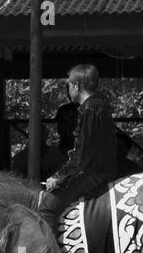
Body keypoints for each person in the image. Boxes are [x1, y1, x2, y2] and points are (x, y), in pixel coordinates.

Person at [37, 64, 117, 223]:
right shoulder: (99, 106)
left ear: (76, 85)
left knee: (46, 205)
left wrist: (58, 176)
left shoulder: (90, 109)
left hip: (93, 174)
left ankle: (46, 248)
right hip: (102, 171)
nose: (68, 89)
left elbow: (82, 155)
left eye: (68, 85)